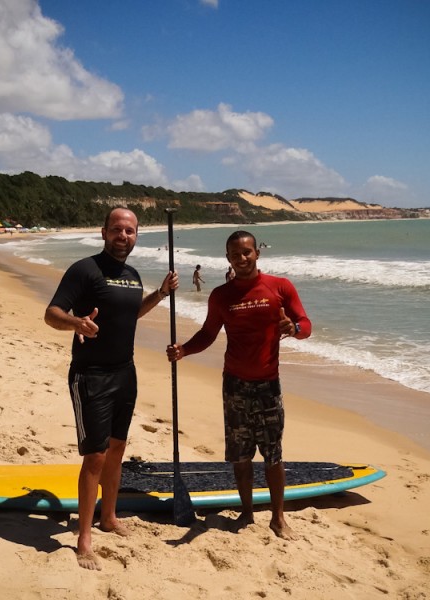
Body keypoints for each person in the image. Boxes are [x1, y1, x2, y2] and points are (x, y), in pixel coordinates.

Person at [44, 207, 178, 570]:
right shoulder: (85, 270)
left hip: (125, 373)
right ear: (104, 232)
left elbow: (129, 314)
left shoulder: (132, 276)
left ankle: (109, 516)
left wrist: (161, 293)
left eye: (130, 231)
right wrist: (77, 323)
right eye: (117, 229)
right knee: (96, 455)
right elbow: (51, 313)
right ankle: (84, 537)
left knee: (118, 448)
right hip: (91, 375)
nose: (123, 236)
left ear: (137, 235)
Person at [166, 230, 311, 540]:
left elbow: (306, 326)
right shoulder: (221, 296)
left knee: (273, 455)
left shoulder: (280, 287)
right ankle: (246, 513)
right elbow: (207, 334)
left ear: (257, 252)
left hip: (268, 384)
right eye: (235, 254)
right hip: (234, 385)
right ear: (227, 258)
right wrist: (184, 350)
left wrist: (293, 327)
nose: (242, 258)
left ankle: (278, 518)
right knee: (240, 455)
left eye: (247, 252)